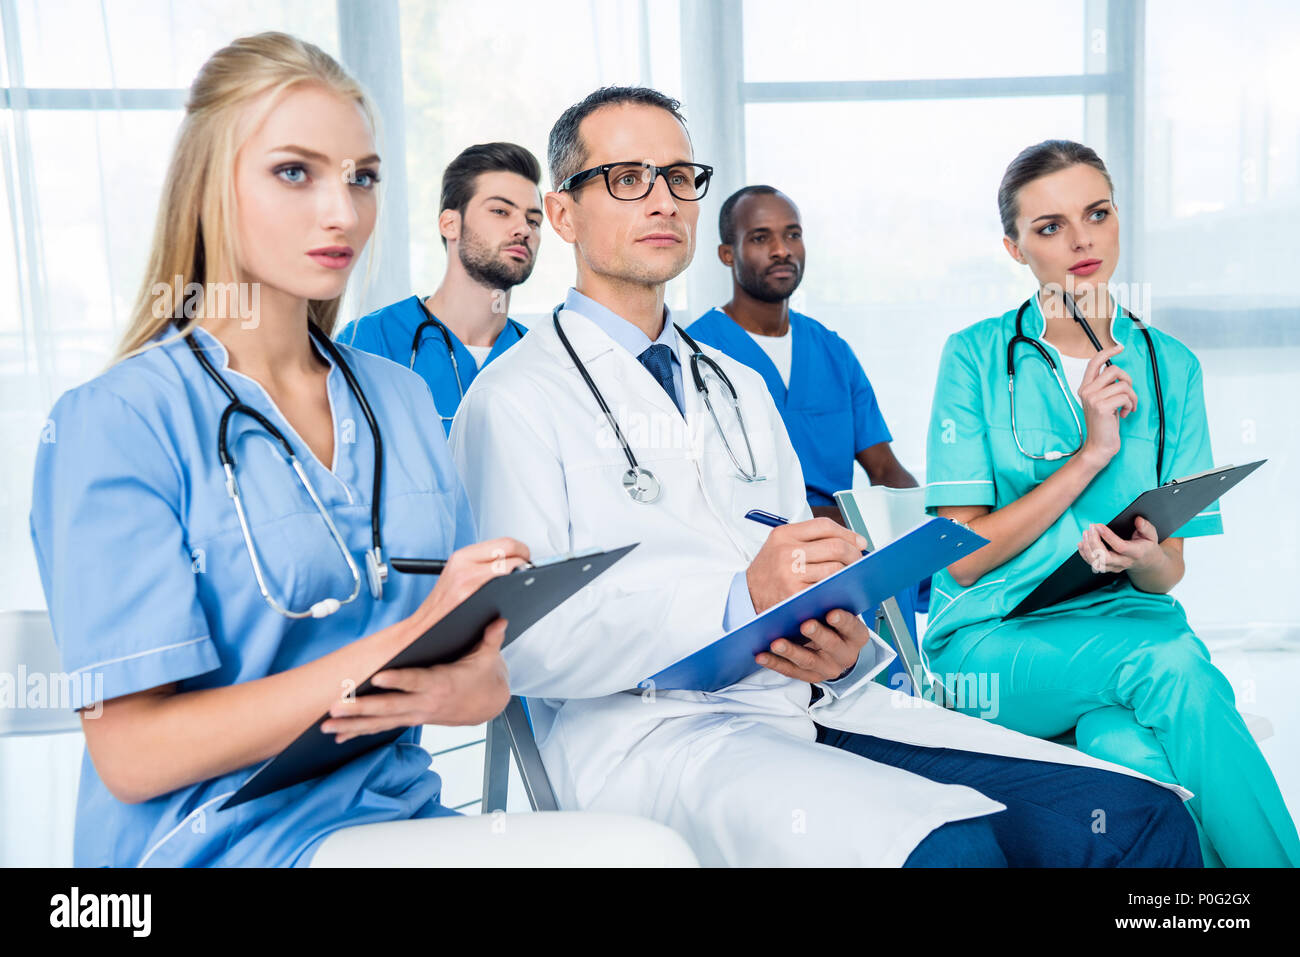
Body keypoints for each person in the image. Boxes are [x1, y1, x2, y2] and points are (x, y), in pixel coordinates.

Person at [449, 86, 1203, 867]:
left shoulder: (734, 383)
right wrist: (739, 600)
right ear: (563, 214)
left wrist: (840, 642)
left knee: (1139, 816)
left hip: (807, 699)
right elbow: (520, 645)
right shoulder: (514, 399)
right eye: (628, 178)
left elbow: (798, 564)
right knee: (952, 849)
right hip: (652, 739)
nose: (664, 199)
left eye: (680, 176)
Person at [27, 35, 689, 868]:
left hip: (400, 824)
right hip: (217, 847)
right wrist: (388, 650)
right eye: (295, 172)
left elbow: (486, 682)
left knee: (649, 849)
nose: (342, 212)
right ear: (209, 185)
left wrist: (459, 679)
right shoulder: (119, 420)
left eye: (363, 177)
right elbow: (132, 755)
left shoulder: (399, 401)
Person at [922, 139, 1300, 868]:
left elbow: (1168, 576)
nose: (1082, 239)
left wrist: (1146, 554)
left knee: (1139, 765)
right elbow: (963, 563)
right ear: (1014, 246)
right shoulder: (973, 355)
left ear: (1119, 217)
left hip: (1123, 625)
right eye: (1050, 226)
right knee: (1172, 665)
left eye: (1096, 213)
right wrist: (1091, 452)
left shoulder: (1171, 365)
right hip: (991, 642)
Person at [686, 185, 927, 676]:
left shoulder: (832, 350)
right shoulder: (697, 354)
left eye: (792, 235)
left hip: (848, 545)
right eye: (761, 237)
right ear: (726, 253)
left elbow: (884, 468)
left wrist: (935, 523)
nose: (781, 250)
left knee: (909, 571)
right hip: (758, 552)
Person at [337, 142, 543, 433]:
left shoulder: (541, 358)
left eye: (534, 221)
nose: (523, 229)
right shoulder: (369, 342)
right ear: (449, 224)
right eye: (500, 211)